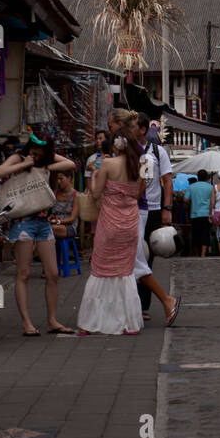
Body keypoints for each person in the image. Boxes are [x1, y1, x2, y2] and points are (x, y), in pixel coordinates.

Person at [0, 130, 76, 336]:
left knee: (53, 273)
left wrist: (45, 166)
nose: (36, 156)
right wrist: (23, 165)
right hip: (23, 222)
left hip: (44, 222)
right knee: (24, 273)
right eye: (34, 152)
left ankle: (52, 320)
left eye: (40, 153)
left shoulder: (46, 160)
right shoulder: (18, 157)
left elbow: (70, 165)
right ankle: (27, 323)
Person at [76, 128, 146, 335]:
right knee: (125, 271)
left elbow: (95, 193)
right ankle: (129, 322)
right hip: (131, 220)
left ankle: (90, 322)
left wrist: (95, 175)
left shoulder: (107, 164)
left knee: (101, 268)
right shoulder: (142, 164)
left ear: (115, 145)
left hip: (110, 221)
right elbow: (143, 188)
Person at [126, 113, 178, 324]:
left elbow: (166, 180)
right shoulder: (127, 152)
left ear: (143, 129)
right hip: (132, 210)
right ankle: (134, 304)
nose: (129, 130)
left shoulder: (155, 153)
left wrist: (167, 208)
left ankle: (143, 304)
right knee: (136, 256)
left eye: (132, 127)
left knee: (145, 257)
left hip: (151, 209)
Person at [188, 169, 214, 256]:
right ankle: (203, 254)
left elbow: (185, 199)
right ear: (206, 177)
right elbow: (213, 202)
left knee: (195, 235)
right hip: (206, 214)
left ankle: (197, 254)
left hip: (194, 214)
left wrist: (193, 201)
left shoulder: (191, 186)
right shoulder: (210, 187)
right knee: (205, 234)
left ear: (197, 177)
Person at [49, 170, 79, 240]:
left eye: (61, 179)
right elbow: (52, 212)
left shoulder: (76, 195)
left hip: (69, 227)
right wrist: (51, 217)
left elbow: (72, 219)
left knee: (48, 229)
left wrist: (58, 222)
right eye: (58, 179)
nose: (59, 182)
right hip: (56, 224)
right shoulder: (55, 193)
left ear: (69, 178)